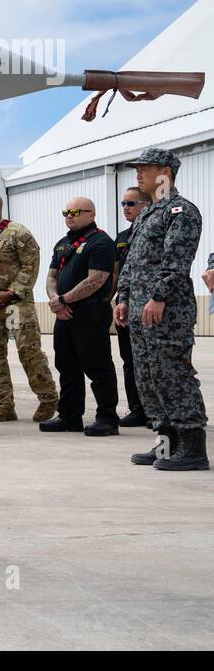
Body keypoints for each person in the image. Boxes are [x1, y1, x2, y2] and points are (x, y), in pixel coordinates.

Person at [115, 148, 207, 470]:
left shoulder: (180, 211)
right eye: (137, 169)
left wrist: (158, 296)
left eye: (145, 168)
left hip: (166, 312)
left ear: (165, 171)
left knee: (173, 375)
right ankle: (167, 446)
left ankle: (193, 449)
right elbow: (132, 262)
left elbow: (176, 261)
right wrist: (123, 296)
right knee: (149, 378)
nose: (138, 174)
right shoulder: (146, 213)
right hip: (141, 313)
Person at [0, 191, 58, 423]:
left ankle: (48, 398)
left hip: (15, 304)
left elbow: (31, 264)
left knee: (28, 351)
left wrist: (11, 292)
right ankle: (4, 405)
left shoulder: (17, 232)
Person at [40, 197, 118, 435]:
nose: (69, 216)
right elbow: (52, 276)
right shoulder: (63, 242)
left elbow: (96, 279)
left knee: (97, 365)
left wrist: (64, 299)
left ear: (92, 214)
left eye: (74, 211)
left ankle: (107, 418)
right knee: (66, 365)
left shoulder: (101, 242)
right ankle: (69, 416)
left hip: (90, 312)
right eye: (65, 212)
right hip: (64, 313)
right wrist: (56, 301)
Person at [114, 187, 151, 427]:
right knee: (130, 360)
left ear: (145, 205)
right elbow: (116, 273)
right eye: (123, 203)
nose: (126, 208)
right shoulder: (122, 237)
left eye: (131, 203)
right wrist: (119, 301)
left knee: (153, 361)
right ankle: (137, 408)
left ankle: (157, 411)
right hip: (126, 306)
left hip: (150, 306)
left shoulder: (153, 233)